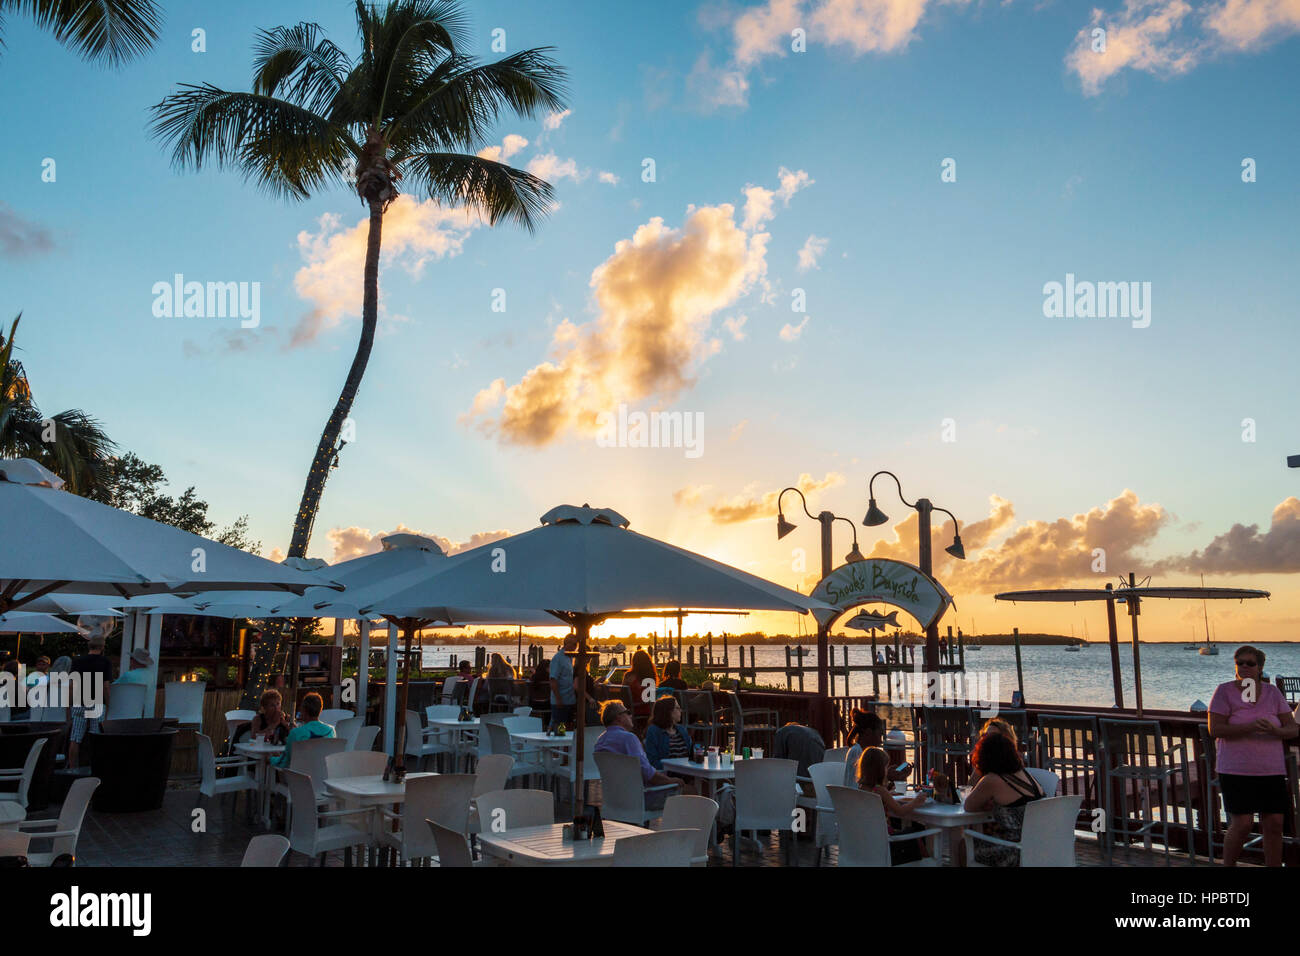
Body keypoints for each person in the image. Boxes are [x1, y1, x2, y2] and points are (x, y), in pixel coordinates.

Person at [1209, 645, 1297, 866]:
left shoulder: (1272, 693)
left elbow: (1293, 728)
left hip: (1270, 769)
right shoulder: (1224, 691)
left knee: (1275, 822)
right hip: (1235, 769)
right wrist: (1248, 727)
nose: (1245, 667)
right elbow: (1215, 729)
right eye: (1240, 663)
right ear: (1235, 666)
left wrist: (1276, 731)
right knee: (1243, 824)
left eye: (1250, 663)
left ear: (1260, 667)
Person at [963, 731, 1045, 866]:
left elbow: (968, 806)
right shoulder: (1025, 774)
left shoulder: (992, 780)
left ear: (985, 757)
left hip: (1014, 852)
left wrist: (978, 769)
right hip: (1040, 848)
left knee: (964, 845)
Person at [594, 700, 678, 808]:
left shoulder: (600, 741)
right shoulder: (629, 738)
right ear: (619, 718)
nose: (631, 715)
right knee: (689, 790)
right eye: (627, 712)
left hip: (614, 800)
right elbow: (648, 773)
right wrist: (672, 781)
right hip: (639, 800)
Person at [857, 746, 930, 864]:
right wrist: (916, 802)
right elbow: (900, 811)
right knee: (916, 832)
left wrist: (889, 790)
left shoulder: (862, 788)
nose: (887, 771)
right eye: (885, 767)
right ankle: (927, 862)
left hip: (870, 842)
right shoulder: (880, 790)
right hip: (887, 844)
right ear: (879, 770)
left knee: (913, 829)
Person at [68, 635, 113, 769]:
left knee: (75, 738)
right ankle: (96, 767)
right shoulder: (105, 662)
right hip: (97, 702)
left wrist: (68, 704)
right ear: (102, 647)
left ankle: (72, 768)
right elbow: (105, 685)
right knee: (96, 736)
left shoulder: (77, 661)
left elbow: (72, 685)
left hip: (79, 702)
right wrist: (109, 703)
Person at [273, 692, 334, 767]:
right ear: (320, 710)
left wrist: (271, 758)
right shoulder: (331, 731)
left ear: (304, 710)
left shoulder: (295, 733)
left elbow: (285, 762)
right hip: (323, 775)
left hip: (300, 776)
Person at [643, 696, 692, 769]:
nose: (680, 710)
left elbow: (691, 754)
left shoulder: (681, 729)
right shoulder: (654, 731)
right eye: (677, 708)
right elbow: (652, 761)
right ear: (669, 711)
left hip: (688, 771)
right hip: (667, 773)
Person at [968, 717, 1019, 784]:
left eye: (993, 736)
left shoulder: (996, 776)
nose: (987, 740)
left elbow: (970, 789)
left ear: (1006, 741)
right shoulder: (988, 763)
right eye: (985, 736)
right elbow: (970, 786)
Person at [549, 634, 578, 730]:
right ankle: (558, 744)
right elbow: (553, 680)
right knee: (560, 729)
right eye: (573, 644)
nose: (575, 647)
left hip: (569, 700)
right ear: (566, 643)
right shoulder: (558, 658)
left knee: (569, 728)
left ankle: (567, 745)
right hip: (561, 701)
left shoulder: (570, 657)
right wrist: (558, 699)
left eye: (576, 644)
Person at [623, 650, 658, 725]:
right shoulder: (650, 677)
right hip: (645, 710)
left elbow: (623, 693)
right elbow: (652, 700)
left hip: (628, 709)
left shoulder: (628, 676)